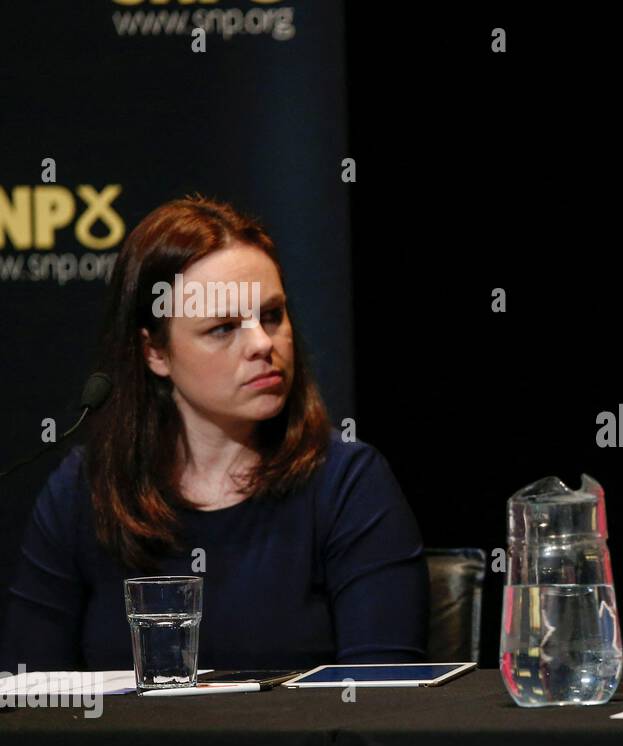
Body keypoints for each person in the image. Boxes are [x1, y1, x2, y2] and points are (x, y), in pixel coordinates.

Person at [0, 196, 429, 671]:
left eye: (271, 315)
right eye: (224, 328)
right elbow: (31, 696)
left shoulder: (348, 483)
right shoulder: (84, 491)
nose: (263, 344)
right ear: (155, 353)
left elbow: (382, 699)